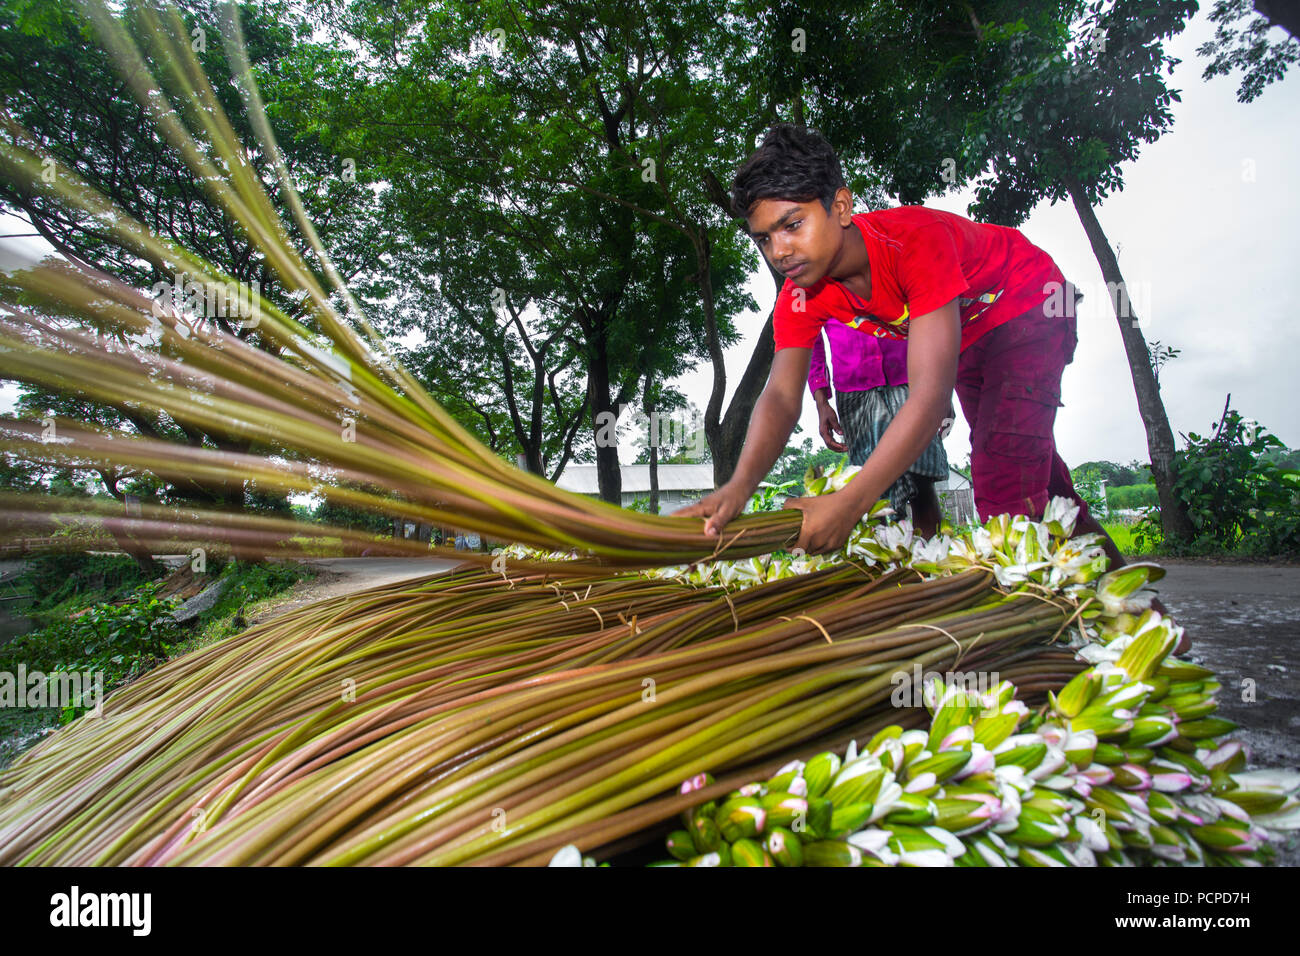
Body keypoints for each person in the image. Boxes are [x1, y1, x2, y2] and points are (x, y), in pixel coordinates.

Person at [674, 123, 1129, 576]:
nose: (780, 250)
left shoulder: (915, 243)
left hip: (1030, 304)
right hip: (972, 338)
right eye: (764, 238)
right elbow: (779, 397)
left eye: (792, 224)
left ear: (841, 207)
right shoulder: (798, 295)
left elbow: (928, 400)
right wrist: (737, 489)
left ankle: (1036, 627)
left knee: (1004, 481)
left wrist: (851, 502)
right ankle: (1135, 609)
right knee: (1036, 479)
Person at [810, 318, 949, 536]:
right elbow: (811, 340)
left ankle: (935, 561)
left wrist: (941, 386)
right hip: (854, 389)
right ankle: (890, 566)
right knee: (874, 493)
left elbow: (926, 320)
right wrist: (821, 401)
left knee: (922, 480)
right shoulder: (811, 288)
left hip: (909, 377)